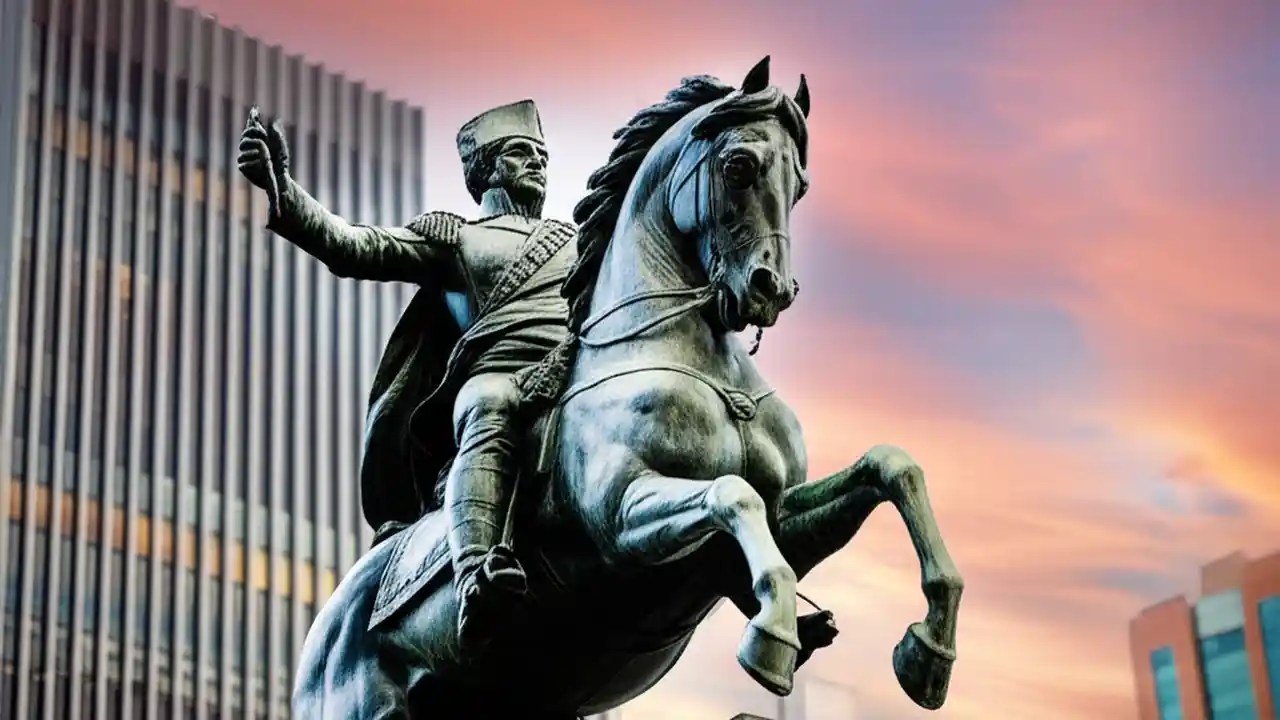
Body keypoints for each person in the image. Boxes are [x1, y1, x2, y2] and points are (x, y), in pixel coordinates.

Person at [237, 100, 576, 652]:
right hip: (499, 384)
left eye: (542, 156)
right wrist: (285, 189)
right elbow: (353, 247)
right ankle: (475, 579)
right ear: (488, 169)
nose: (538, 165)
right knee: (490, 402)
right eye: (521, 154)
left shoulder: (580, 244)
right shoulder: (456, 239)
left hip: (572, 380)